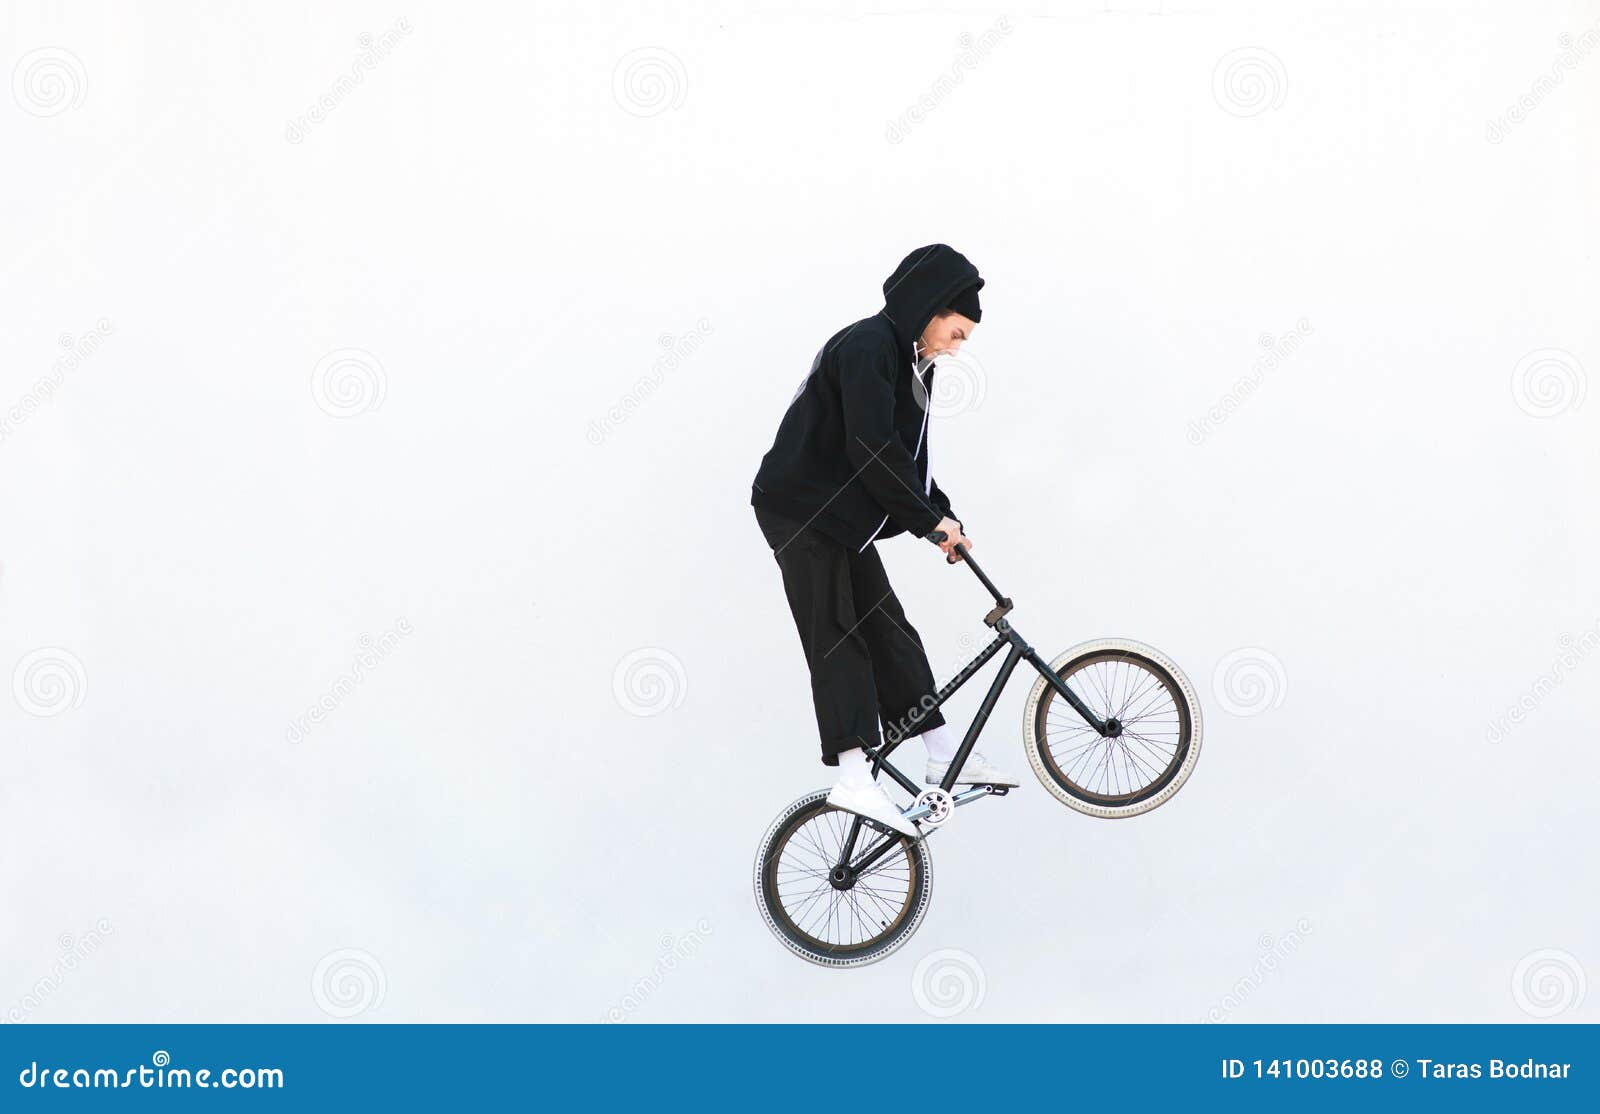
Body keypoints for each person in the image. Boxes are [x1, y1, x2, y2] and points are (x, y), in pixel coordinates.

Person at [751, 244, 1019, 838]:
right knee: (838, 633)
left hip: (840, 517)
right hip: (800, 511)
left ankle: (942, 753)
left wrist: (943, 518)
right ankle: (852, 778)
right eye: (956, 332)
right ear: (927, 308)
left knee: (889, 628)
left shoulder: (914, 364)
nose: (957, 347)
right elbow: (870, 448)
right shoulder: (867, 346)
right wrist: (926, 522)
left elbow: (908, 458)